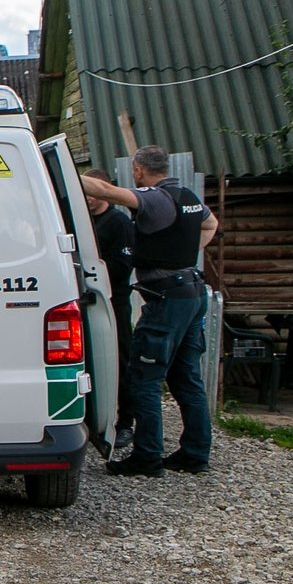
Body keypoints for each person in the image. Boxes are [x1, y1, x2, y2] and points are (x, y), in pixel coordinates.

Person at [81, 146, 219, 476]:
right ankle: (196, 453)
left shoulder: (155, 198)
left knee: (144, 379)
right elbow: (211, 223)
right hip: (191, 292)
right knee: (187, 378)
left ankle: (147, 457)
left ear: (139, 171)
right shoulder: (187, 196)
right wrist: (184, 256)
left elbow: (103, 190)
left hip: (167, 300)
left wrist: (53, 167)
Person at [84, 168, 137, 454]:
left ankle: (125, 421)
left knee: (121, 359)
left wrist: (93, 273)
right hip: (89, 300)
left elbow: (123, 266)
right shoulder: (83, 221)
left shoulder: (117, 222)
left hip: (114, 301)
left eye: (93, 194)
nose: (89, 199)